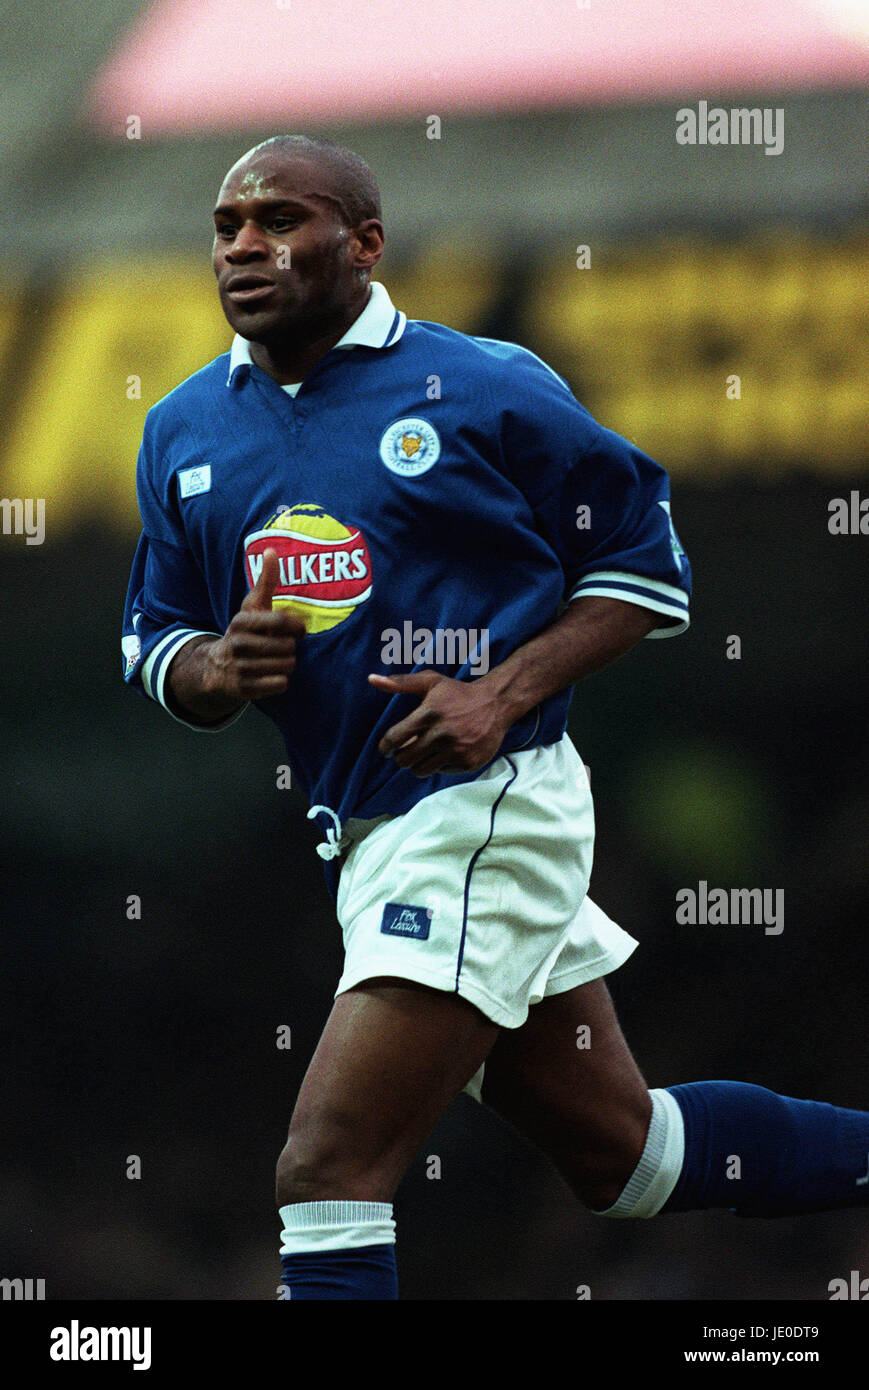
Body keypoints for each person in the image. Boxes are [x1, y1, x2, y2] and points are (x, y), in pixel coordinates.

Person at [122, 135, 869, 1300]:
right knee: (625, 1155)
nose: (244, 247)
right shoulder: (181, 430)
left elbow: (644, 567)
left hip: (483, 802)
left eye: (279, 221)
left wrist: (498, 692)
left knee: (327, 1164)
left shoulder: (480, 385)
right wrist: (218, 668)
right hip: (367, 828)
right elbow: (153, 640)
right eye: (227, 226)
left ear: (364, 244)